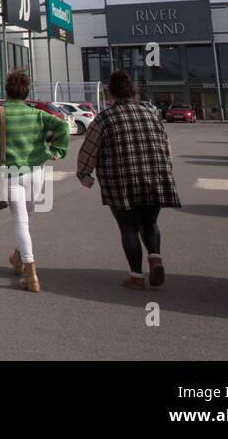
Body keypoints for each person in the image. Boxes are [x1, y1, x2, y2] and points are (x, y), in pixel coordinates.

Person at [76, 70, 181, 290]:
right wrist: (166, 170)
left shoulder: (105, 118)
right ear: (132, 91)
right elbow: (165, 145)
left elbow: (89, 148)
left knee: (128, 227)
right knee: (149, 222)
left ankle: (136, 276)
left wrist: (84, 174)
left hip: (121, 181)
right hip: (155, 177)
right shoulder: (150, 114)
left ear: (110, 93)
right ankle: (155, 257)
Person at [0, 69, 70, 292]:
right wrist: (56, 150)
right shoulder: (37, 114)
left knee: (20, 220)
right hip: (36, 172)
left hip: (11, 174)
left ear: (6, 92)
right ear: (26, 93)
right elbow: (63, 126)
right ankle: (18, 257)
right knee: (27, 218)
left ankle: (30, 272)